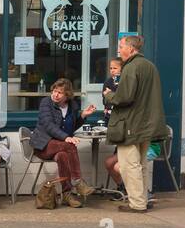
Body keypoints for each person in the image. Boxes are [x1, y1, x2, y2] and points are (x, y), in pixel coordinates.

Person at [104, 34, 167, 214]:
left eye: (121, 47)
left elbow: (124, 97)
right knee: (141, 165)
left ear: (131, 49)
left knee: (128, 165)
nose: (118, 50)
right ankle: (143, 200)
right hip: (146, 124)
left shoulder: (131, 67)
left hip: (130, 124)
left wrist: (109, 95)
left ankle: (137, 204)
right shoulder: (150, 66)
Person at [31, 78, 97, 207]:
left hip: (59, 147)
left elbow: (70, 127)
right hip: (43, 145)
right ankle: (78, 181)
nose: (55, 95)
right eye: (54, 91)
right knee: (69, 145)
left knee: (63, 156)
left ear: (67, 95)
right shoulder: (46, 103)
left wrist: (83, 116)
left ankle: (67, 194)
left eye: (60, 93)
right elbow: (49, 125)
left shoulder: (72, 106)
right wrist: (66, 137)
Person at [102, 59, 124, 197]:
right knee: (109, 162)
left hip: (126, 131)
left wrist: (111, 96)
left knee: (114, 164)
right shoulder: (108, 82)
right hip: (113, 123)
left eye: (115, 68)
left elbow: (120, 101)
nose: (112, 71)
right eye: (110, 68)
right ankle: (122, 187)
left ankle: (139, 190)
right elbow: (106, 100)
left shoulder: (126, 82)